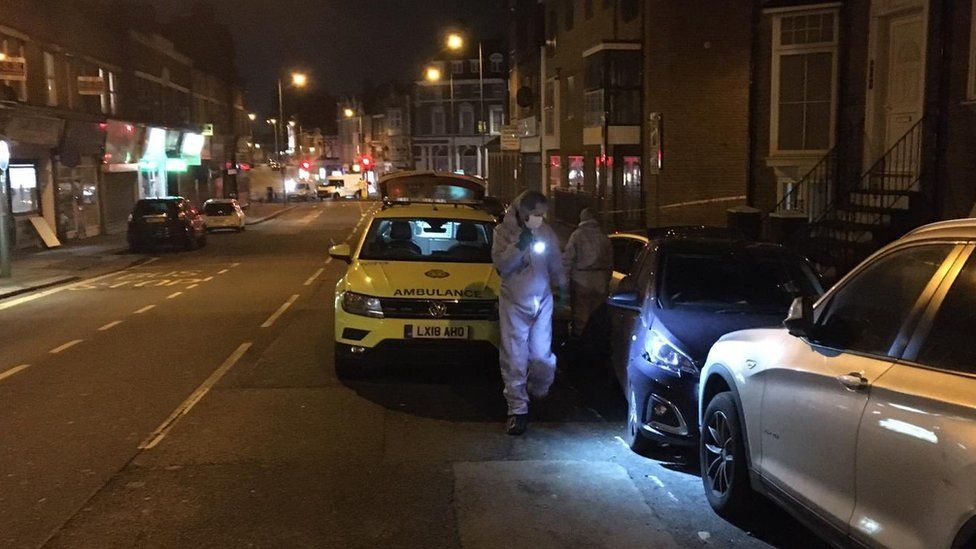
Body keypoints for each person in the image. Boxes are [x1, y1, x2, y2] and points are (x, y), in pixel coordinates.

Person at [492, 191, 568, 436]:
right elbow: (502, 266)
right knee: (515, 357)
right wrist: (519, 246)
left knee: (542, 356)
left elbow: (556, 261)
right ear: (523, 212)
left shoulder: (545, 232)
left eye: (542, 213)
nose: (540, 217)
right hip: (514, 301)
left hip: (542, 300)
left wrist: (563, 286)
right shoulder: (503, 233)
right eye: (536, 213)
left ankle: (539, 389)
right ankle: (517, 410)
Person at [562, 208, 612, 338]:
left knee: (581, 316)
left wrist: (564, 281)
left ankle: (581, 342)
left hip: (581, 279)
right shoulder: (603, 237)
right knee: (599, 313)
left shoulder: (577, 235)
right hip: (600, 279)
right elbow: (609, 261)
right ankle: (598, 341)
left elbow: (568, 259)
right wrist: (606, 279)